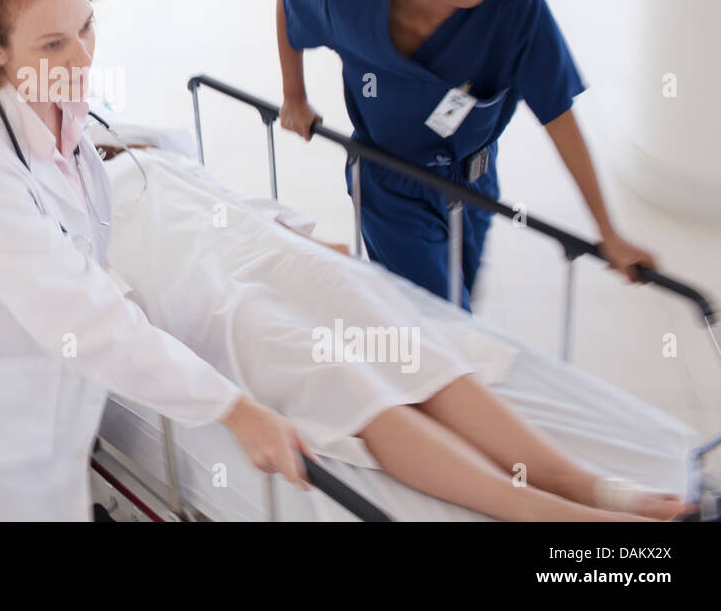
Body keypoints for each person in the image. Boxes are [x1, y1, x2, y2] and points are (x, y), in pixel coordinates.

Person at [0, 0, 315, 521]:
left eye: (87, 27)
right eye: (53, 43)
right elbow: (86, 316)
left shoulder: (54, 100)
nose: (83, 56)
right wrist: (234, 408)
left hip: (53, 395)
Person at [101, 145, 691, 521]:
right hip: (200, 292)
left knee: (394, 330)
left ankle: (581, 483)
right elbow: (91, 302)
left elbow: (227, 198)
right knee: (328, 367)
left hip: (262, 248)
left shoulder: (139, 147)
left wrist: (301, 236)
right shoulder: (42, 205)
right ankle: (540, 512)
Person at [276, 0, 657, 308]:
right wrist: (294, 98)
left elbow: (557, 114)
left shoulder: (512, 0)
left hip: (475, 182)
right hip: (391, 186)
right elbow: (290, 1)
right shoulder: (351, 1)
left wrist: (608, 232)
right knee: (442, 318)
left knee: (460, 303)